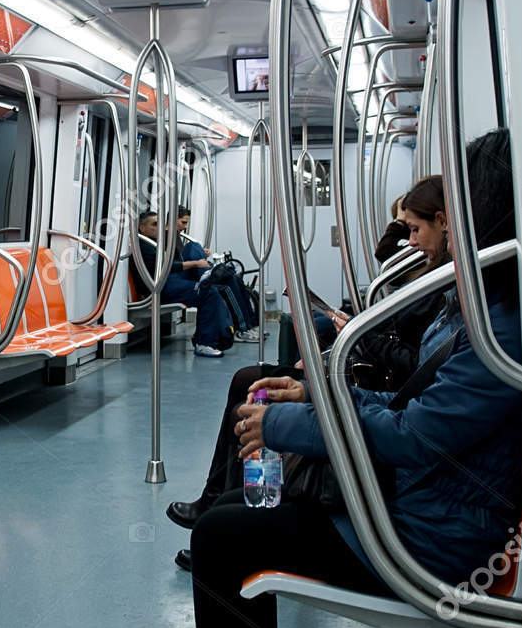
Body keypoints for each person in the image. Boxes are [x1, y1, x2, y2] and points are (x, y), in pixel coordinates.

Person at [147, 130, 522, 628]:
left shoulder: (498, 330)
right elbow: (409, 402)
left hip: (430, 537)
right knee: (238, 512)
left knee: (223, 536)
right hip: (413, 496)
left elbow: (411, 434)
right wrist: (320, 397)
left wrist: (292, 422)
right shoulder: (479, 309)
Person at [165, 175, 453, 546]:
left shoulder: (442, 286)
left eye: (414, 228)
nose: (408, 240)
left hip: (377, 380)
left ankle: (227, 511)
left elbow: (409, 366)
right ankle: (215, 497)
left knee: (253, 385)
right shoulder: (431, 273)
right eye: (404, 227)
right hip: (375, 370)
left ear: (443, 222)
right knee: (247, 380)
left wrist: (362, 338)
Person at [133, 211, 235, 357]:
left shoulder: (155, 243)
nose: (159, 228)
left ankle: (205, 278)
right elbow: (165, 267)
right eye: (154, 224)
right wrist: (195, 263)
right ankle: (205, 343)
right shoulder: (143, 246)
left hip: (167, 282)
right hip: (158, 288)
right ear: (142, 228)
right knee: (209, 292)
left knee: (194, 249)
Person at [174, 206, 258, 343]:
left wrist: (201, 255)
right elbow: (175, 264)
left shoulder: (177, 238)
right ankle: (242, 329)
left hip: (187, 273)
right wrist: (197, 260)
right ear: (172, 220)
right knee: (194, 247)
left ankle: (249, 326)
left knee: (235, 279)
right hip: (178, 278)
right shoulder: (165, 238)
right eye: (183, 223)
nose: (185, 227)